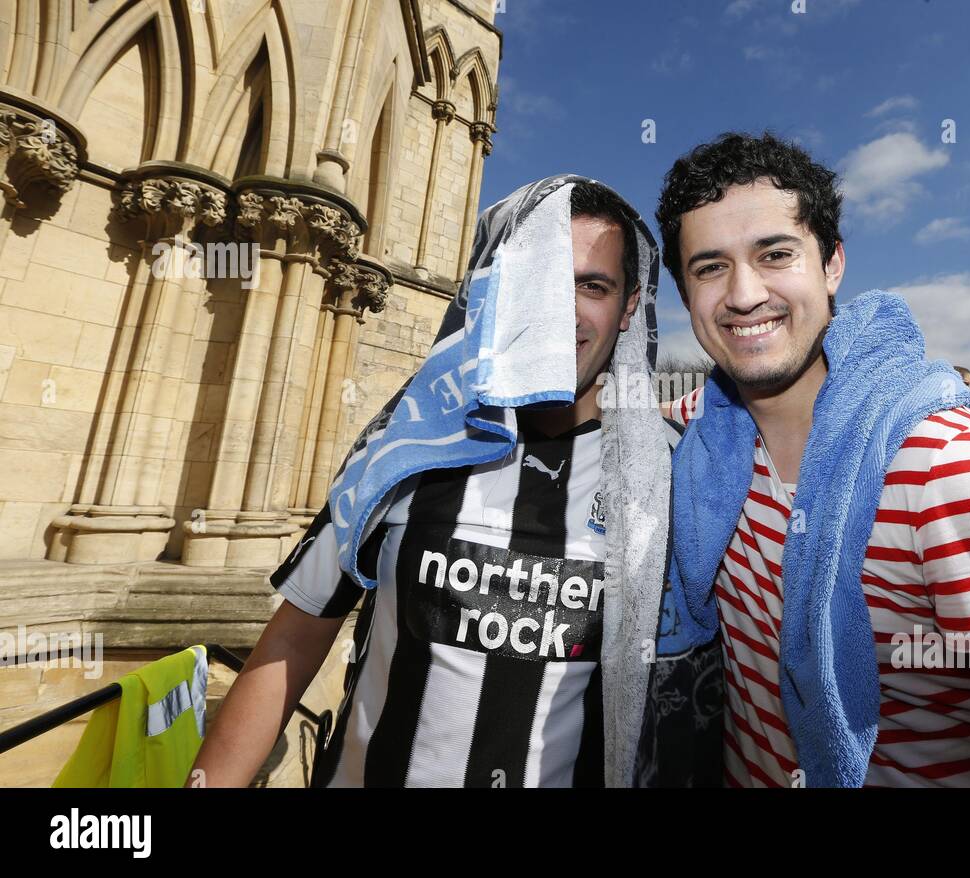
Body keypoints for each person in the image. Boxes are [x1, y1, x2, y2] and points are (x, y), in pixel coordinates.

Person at [648, 132, 970, 788]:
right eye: (709, 267)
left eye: (775, 254)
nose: (743, 294)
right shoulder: (693, 449)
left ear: (832, 266)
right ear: (685, 294)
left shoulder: (949, 473)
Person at [190, 177, 678, 787]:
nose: (561, 309)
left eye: (592, 285)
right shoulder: (406, 447)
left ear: (630, 305)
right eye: (539, 280)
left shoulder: (665, 477)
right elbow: (293, 640)